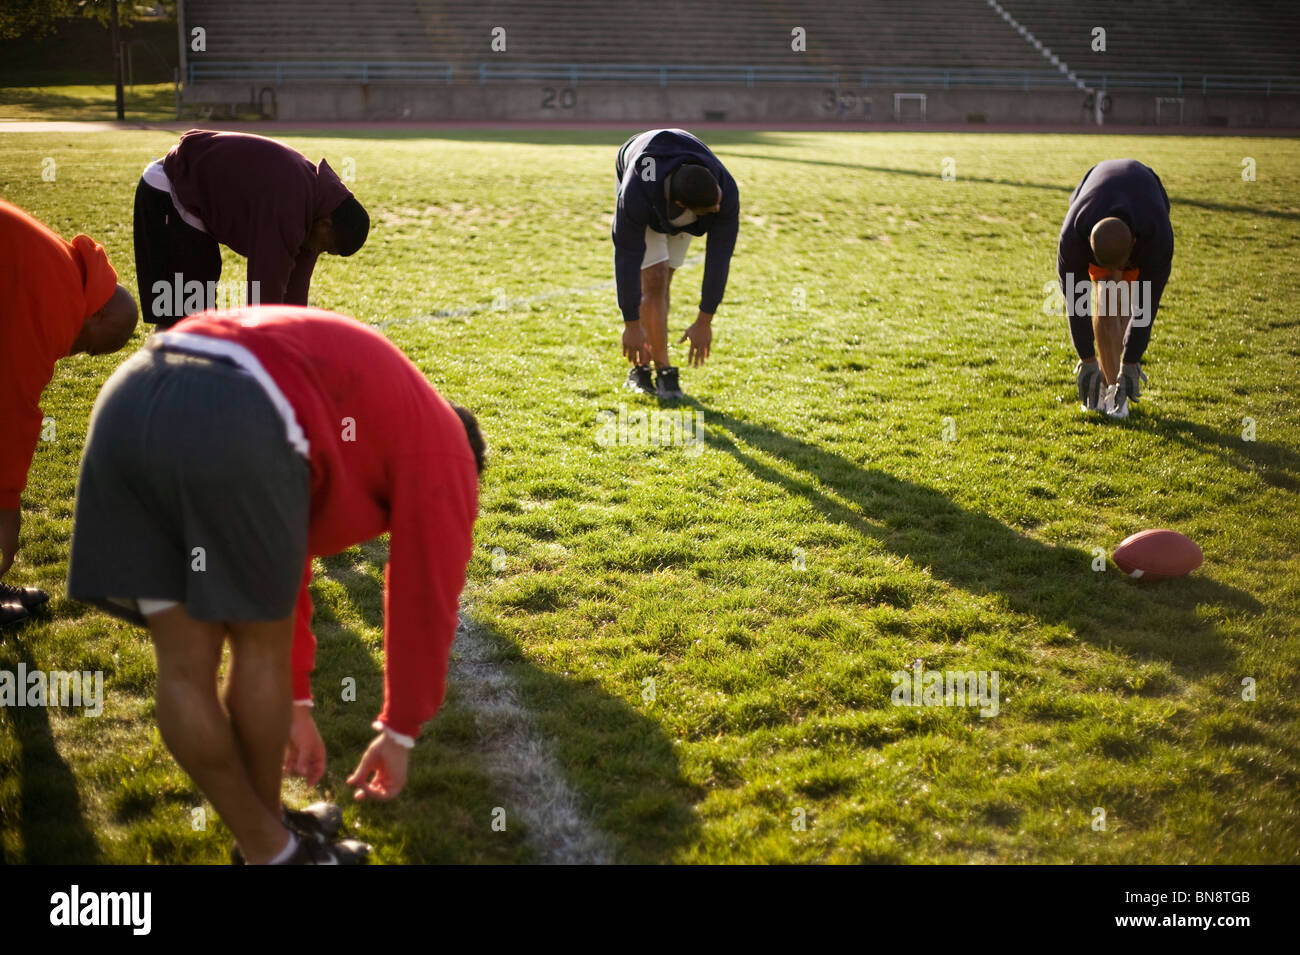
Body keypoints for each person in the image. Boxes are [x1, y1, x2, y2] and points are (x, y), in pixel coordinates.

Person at [67, 306, 484, 864]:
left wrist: (298, 703)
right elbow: (425, 593)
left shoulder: (371, 412)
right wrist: (401, 730)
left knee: (184, 665)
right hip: (233, 410)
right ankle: (272, 849)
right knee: (256, 648)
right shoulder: (443, 447)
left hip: (130, 397)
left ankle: (267, 839)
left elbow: (288, 563)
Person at [0, 200, 137, 628]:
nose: (76, 352)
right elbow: (11, 413)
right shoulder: (58, 303)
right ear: (97, 315)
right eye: (91, 346)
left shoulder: (66, 270)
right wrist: (7, 509)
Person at [133, 129, 370, 328]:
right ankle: (161, 377)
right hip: (168, 190)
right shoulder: (290, 202)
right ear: (327, 225)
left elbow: (295, 295)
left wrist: (295, 337)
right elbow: (264, 296)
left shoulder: (317, 206)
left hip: (190, 199)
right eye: (327, 248)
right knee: (184, 317)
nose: (320, 251)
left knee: (196, 316)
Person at [612, 128, 739, 399]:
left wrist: (705, 319)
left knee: (663, 284)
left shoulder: (725, 192)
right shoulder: (635, 192)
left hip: (674, 189)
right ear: (682, 205)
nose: (719, 210)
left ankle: (652, 360)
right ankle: (658, 371)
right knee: (654, 280)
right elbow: (626, 256)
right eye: (710, 210)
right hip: (647, 189)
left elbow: (719, 257)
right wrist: (631, 323)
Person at [1057, 159, 1174, 418]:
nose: (1114, 274)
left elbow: (1145, 308)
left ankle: (1116, 384)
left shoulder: (1157, 238)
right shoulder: (1073, 238)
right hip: (1092, 191)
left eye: (1119, 266)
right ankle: (1109, 388)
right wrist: (1087, 359)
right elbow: (1076, 305)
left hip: (1147, 191)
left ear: (1134, 244)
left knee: (1123, 299)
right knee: (1108, 296)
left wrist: (1131, 360)